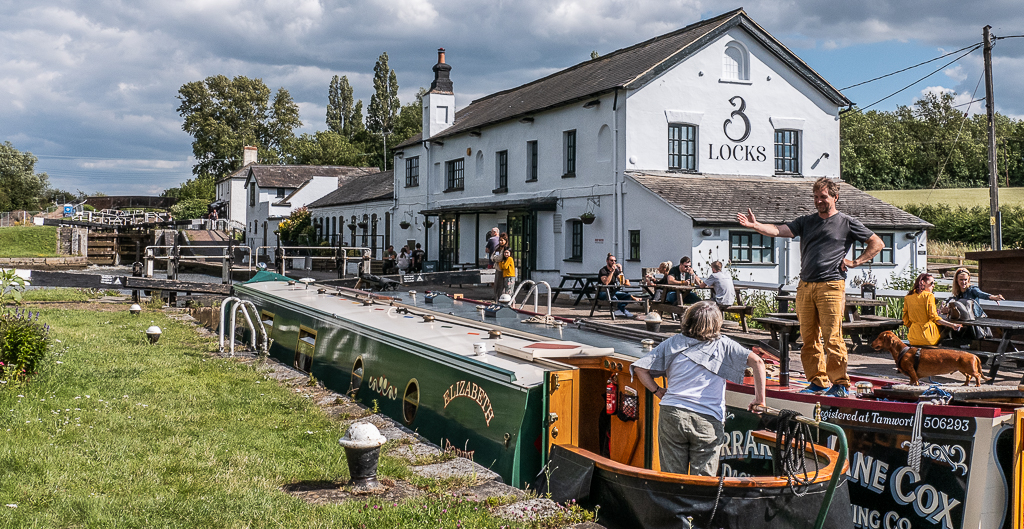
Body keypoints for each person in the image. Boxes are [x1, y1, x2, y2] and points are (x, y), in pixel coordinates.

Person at [737, 177, 883, 398]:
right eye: (815, 197)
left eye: (823, 197)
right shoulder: (806, 221)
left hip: (831, 285)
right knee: (808, 338)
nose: (818, 201)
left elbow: (877, 243)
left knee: (832, 337)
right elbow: (777, 230)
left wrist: (855, 262)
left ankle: (840, 384)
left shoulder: (847, 222)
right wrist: (756, 225)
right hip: (805, 285)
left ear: (835, 197)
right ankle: (818, 381)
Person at [632, 301, 766, 476]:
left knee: (673, 477)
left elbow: (640, 369)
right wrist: (760, 399)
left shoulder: (673, 343)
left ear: (687, 320)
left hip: (673, 414)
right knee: (703, 482)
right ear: (716, 323)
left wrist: (658, 391)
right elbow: (758, 362)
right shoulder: (724, 344)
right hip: (708, 417)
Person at [904, 273, 962, 346]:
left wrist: (914, 326)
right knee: (947, 335)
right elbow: (934, 317)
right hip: (928, 337)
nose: (933, 285)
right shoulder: (929, 296)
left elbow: (906, 319)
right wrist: (952, 325)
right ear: (923, 282)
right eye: (931, 283)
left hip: (913, 337)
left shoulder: (908, 297)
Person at [598, 253, 637, 318]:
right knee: (614, 298)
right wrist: (612, 272)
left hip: (613, 291)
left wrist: (620, 271)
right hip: (603, 292)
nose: (614, 262)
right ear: (607, 261)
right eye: (612, 260)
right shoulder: (603, 270)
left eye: (615, 261)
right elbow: (606, 283)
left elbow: (622, 282)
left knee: (628, 296)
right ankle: (624, 311)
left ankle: (619, 310)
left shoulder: (615, 270)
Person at [492, 233, 508, 300]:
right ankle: (496, 299)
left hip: (502, 270)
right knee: (496, 286)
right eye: (500, 240)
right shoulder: (497, 248)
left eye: (502, 240)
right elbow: (492, 257)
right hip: (497, 269)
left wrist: (495, 258)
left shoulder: (505, 249)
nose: (500, 242)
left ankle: (501, 300)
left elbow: (500, 258)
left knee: (501, 287)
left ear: (505, 241)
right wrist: (495, 258)